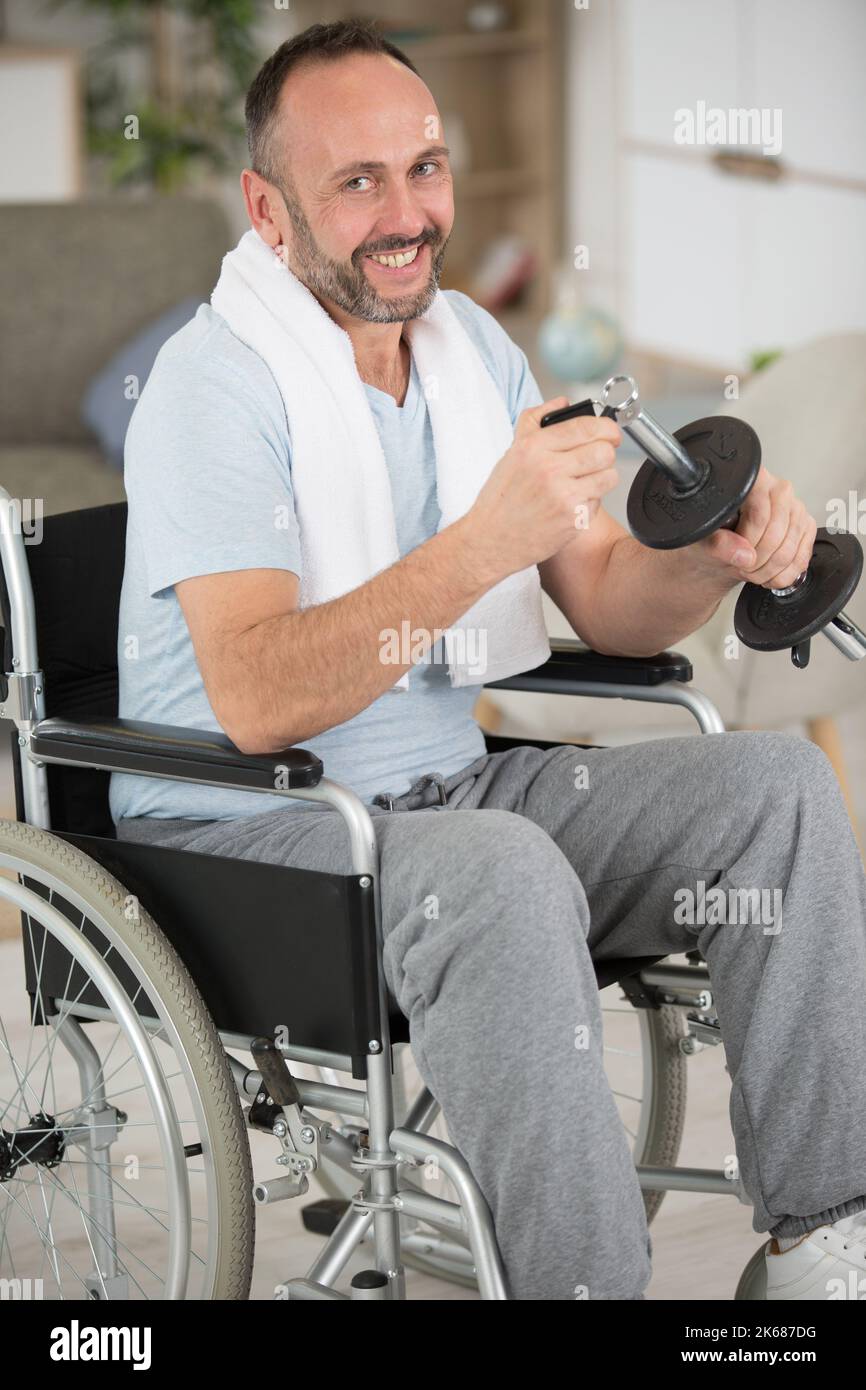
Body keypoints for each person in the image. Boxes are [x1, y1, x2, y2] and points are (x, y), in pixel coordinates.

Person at [111, 18, 866, 1300]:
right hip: (245, 833)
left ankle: (819, 1244)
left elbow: (615, 605)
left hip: (444, 807)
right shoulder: (211, 389)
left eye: (425, 168)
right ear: (268, 207)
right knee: (500, 870)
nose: (406, 214)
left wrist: (713, 557)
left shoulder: (471, 353)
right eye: (356, 181)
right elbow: (254, 700)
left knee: (773, 791)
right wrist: (478, 545)